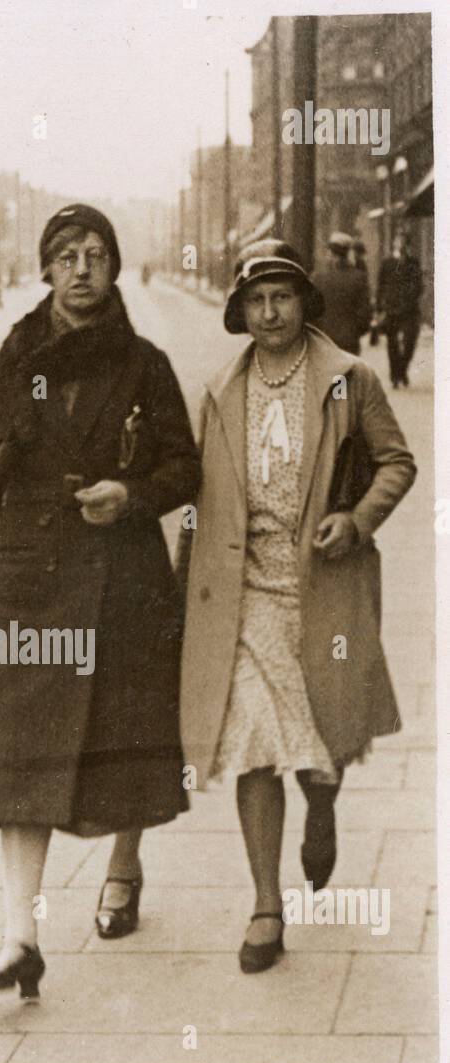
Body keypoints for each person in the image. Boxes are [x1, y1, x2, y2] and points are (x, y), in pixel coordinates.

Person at [0, 203, 200, 998]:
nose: (81, 268)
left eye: (95, 254)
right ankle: (20, 937)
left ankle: (123, 868)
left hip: (122, 576)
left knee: (125, 736)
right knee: (19, 748)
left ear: (113, 269)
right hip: (27, 577)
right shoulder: (11, 366)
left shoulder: (146, 366)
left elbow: (185, 469)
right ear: (46, 271)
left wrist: (134, 492)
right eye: (66, 256)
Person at [175, 239, 415, 973]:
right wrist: (183, 581)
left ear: (303, 302)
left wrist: (357, 520)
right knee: (251, 743)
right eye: (256, 299)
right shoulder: (218, 391)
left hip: (322, 587)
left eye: (281, 296)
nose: (270, 311)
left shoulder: (349, 379)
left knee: (321, 734)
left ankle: (321, 805)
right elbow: (197, 501)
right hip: (242, 596)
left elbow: (396, 462)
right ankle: (263, 905)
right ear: (239, 311)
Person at [311, 231, 371, 353]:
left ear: (330, 253)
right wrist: (354, 332)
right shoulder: (359, 278)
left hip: (323, 343)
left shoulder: (317, 278)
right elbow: (365, 316)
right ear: (347, 253)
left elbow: (311, 312)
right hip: (349, 343)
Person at [377, 229, 423, 388]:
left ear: (407, 244)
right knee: (392, 343)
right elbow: (381, 285)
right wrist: (378, 308)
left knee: (410, 341)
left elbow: (418, 285)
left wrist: (410, 298)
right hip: (391, 309)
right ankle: (395, 375)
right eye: (397, 240)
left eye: (403, 240)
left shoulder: (413, 263)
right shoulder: (387, 263)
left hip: (409, 309)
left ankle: (402, 369)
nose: (400, 243)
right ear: (394, 243)